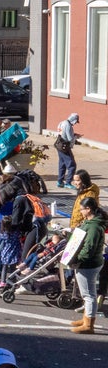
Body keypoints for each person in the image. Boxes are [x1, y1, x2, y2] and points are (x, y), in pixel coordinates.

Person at [70, 197, 107, 334]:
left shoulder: (93, 226)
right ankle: (86, 319)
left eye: (81, 209)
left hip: (88, 264)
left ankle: (88, 325)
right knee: (88, 293)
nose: (80, 211)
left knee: (89, 295)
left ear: (88, 209)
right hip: (91, 263)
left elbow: (89, 248)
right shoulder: (92, 223)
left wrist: (76, 259)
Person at [56, 113, 80, 188]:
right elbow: (70, 139)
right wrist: (76, 137)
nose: (75, 123)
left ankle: (60, 181)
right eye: (76, 121)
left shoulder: (62, 123)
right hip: (65, 147)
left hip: (59, 145)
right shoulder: (68, 126)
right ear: (74, 120)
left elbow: (61, 133)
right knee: (72, 165)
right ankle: (68, 182)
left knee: (62, 164)